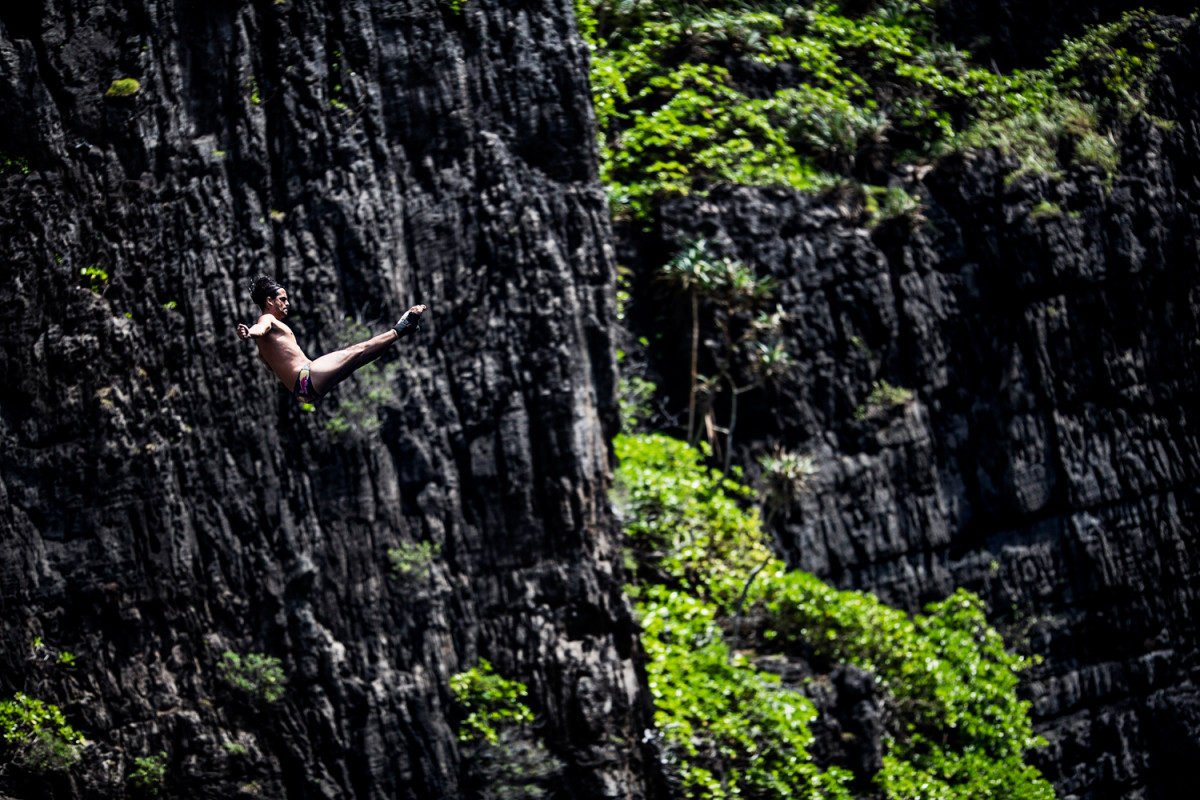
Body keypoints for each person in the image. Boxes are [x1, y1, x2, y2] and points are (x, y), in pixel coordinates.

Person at [236, 275, 425, 401]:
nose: (288, 304)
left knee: (361, 359)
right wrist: (249, 333)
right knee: (357, 351)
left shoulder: (264, 345)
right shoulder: (267, 318)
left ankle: (402, 330)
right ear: (269, 301)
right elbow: (260, 328)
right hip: (306, 376)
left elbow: (269, 364)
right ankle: (402, 328)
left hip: (303, 392)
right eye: (282, 300)